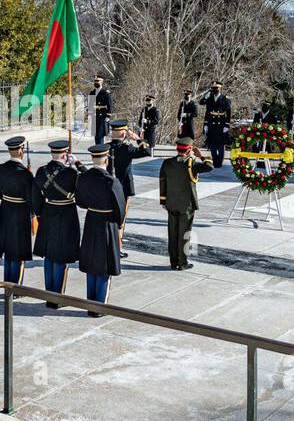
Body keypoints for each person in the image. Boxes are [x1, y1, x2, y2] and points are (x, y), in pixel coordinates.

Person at [31, 139, 83, 308]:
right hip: (66, 215)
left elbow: (35, 196)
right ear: (65, 154)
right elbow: (89, 182)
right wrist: (77, 164)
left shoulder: (41, 171)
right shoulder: (72, 174)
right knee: (61, 256)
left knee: (49, 256)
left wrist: (40, 214)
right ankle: (57, 298)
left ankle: (49, 294)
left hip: (47, 214)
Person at [75, 144, 125, 316]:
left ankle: (90, 303)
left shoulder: (83, 178)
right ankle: (99, 307)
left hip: (91, 221)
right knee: (104, 267)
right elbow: (120, 209)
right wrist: (118, 225)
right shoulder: (111, 181)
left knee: (91, 264)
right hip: (107, 223)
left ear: (92, 159)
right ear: (106, 159)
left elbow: (80, 202)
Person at [160, 137, 213, 270]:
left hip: (171, 203)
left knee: (172, 234)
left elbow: (162, 182)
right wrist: (201, 155)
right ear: (189, 150)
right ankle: (182, 263)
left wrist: (163, 201)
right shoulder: (192, 164)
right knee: (185, 234)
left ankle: (173, 262)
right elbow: (209, 166)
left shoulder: (167, 163)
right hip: (186, 205)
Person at [108, 120, 152, 257]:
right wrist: (138, 138)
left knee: (108, 217)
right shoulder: (127, 149)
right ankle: (117, 249)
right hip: (123, 189)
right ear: (124, 133)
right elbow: (147, 150)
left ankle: (109, 245)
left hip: (108, 187)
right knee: (120, 220)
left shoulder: (104, 148)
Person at [0, 135, 34, 284]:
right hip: (20, 212)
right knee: (19, 250)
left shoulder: (0, 169)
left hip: (5, 209)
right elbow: (31, 199)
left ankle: (7, 282)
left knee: (8, 248)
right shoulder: (25, 174)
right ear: (21, 151)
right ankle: (16, 287)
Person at [201, 81, 232, 168]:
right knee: (212, 144)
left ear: (220, 89)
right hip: (211, 123)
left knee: (221, 145)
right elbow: (206, 110)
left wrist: (227, 125)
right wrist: (206, 124)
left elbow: (229, 113)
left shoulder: (225, 99)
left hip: (221, 123)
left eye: (217, 88)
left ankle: (219, 163)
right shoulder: (210, 99)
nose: (215, 90)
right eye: (213, 88)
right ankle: (215, 161)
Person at [90, 75, 113, 144]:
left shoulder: (105, 93)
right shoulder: (92, 92)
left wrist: (108, 116)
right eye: (95, 81)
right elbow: (90, 105)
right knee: (96, 134)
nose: (96, 82)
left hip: (102, 116)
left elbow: (109, 105)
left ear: (102, 82)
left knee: (100, 134)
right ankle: (97, 148)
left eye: (98, 81)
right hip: (95, 116)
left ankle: (100, 149)